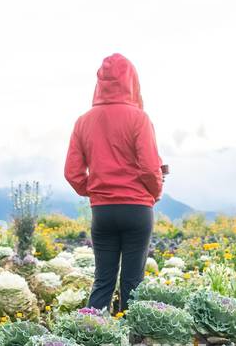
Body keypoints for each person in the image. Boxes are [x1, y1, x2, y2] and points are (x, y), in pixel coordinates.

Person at [64, 53, 167, 312]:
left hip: (103, 212)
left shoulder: (83, 121)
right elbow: (149, 168)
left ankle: (91, 341)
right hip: (137, 211)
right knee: (133, 283)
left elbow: (72, 172)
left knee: (103, 282)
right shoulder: (139, 119)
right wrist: (154, 192)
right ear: (132, 82)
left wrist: (98, 191)